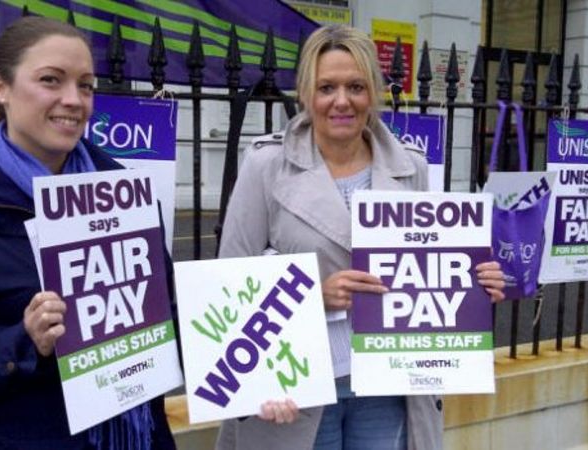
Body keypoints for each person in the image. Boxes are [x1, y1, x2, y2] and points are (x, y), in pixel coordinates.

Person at [215, 24, 505, 450]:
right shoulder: (266, 166)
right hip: (298, 385)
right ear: (306, 94)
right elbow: (229, 285)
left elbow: (427, 266)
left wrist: (472, 283)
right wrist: (313, 295)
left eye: (355, 86)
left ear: (373, 93)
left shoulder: (411, 167)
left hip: (387, 389)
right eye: (326, 87)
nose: (341, 101)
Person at [0, 16, 176, 450]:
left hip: (141, 437)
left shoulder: (126, 197)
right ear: (0, 88)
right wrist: (22, 342)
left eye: (85, 85)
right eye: (51, 80)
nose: (74, 100)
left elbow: (169, 314)